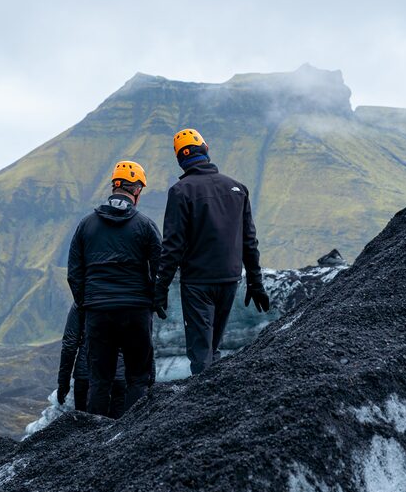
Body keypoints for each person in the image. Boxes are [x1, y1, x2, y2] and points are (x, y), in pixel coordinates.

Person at [154, 128, 270, 375]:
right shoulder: (237, 188)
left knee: (200, 351)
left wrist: (160, 288)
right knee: (213, 348)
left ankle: (202, 406)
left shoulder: (180, 192)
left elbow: (172, 246)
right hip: (229, 280)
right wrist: (255, 282)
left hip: (197, 284)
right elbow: (249, 240)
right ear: (206, 150)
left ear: (180, 160)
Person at [66, 160, 161, 417]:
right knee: (138, 378)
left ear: (114, 187)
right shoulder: (145, 225)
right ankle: (132, 437)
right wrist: (153, 301)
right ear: (137, 190)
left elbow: (74, 272)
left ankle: (95, 440)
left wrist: (87, 302)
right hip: (136, 310)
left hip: (99, 311)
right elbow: (160, 268)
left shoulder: (86, 225)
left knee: (100, 379)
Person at [57, 303, 127, 416]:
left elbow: (69, 344)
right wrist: (149, 374)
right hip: (119, 377)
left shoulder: (82, 299)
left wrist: (63, 382)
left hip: (86, 376)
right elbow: (142, 339)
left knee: (87, 428)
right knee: (119, 429)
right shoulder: (129, 298)